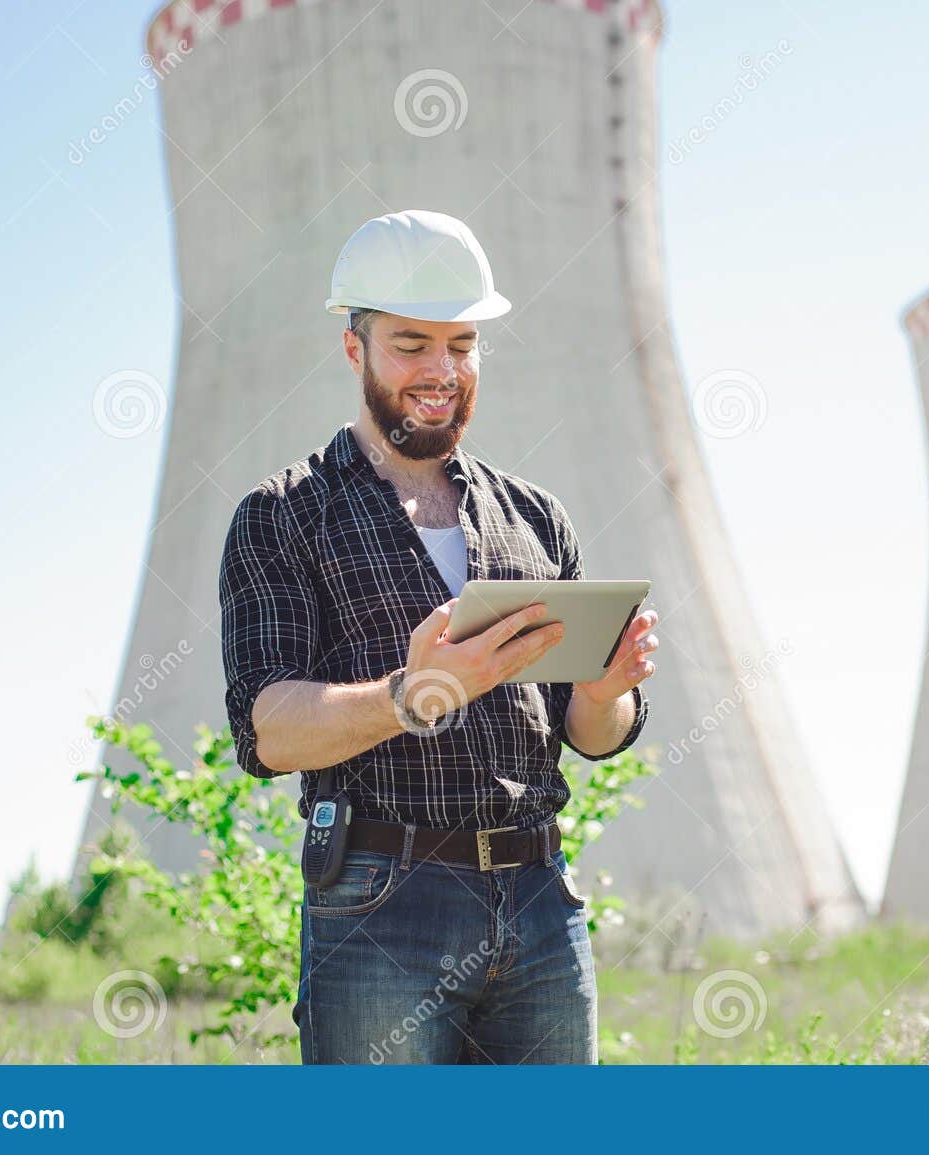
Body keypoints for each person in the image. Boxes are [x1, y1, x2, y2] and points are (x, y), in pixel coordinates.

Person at [218, 209, 659, 1064]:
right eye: (411, 343)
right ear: (356, 349)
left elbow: (590, 737)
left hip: (539, 901)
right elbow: (266, 728)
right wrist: (412, 695)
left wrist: (608, 694)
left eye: (461, 345)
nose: (440, 371)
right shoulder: (282, 514)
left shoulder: (534, 516)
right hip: (381, 904)